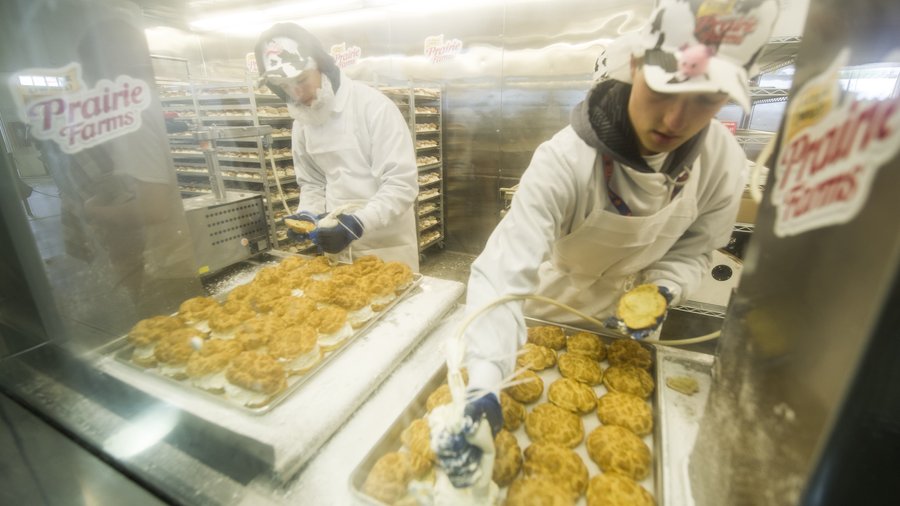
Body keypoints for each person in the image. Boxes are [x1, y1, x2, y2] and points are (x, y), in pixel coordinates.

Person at [433, 0, 781, 488]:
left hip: (632, 335)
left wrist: (663, 290)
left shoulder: (722, 162)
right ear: (637, 64)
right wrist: (486, 381)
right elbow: (503, 272)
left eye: (706, 99)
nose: (677, 118)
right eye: (667, 86)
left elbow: (697, 250)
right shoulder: (564, 160)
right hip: (544, 315)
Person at [253, 24, 420, 271]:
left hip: (387, 245)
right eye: (284, 86)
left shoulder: (373, 108)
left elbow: (401, 185)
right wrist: (308, 213)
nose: (297, 93)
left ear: (322, 66)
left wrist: (359, 222)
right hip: (338, 246)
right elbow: (313, 182)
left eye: (301, 79)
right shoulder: (303, 123)